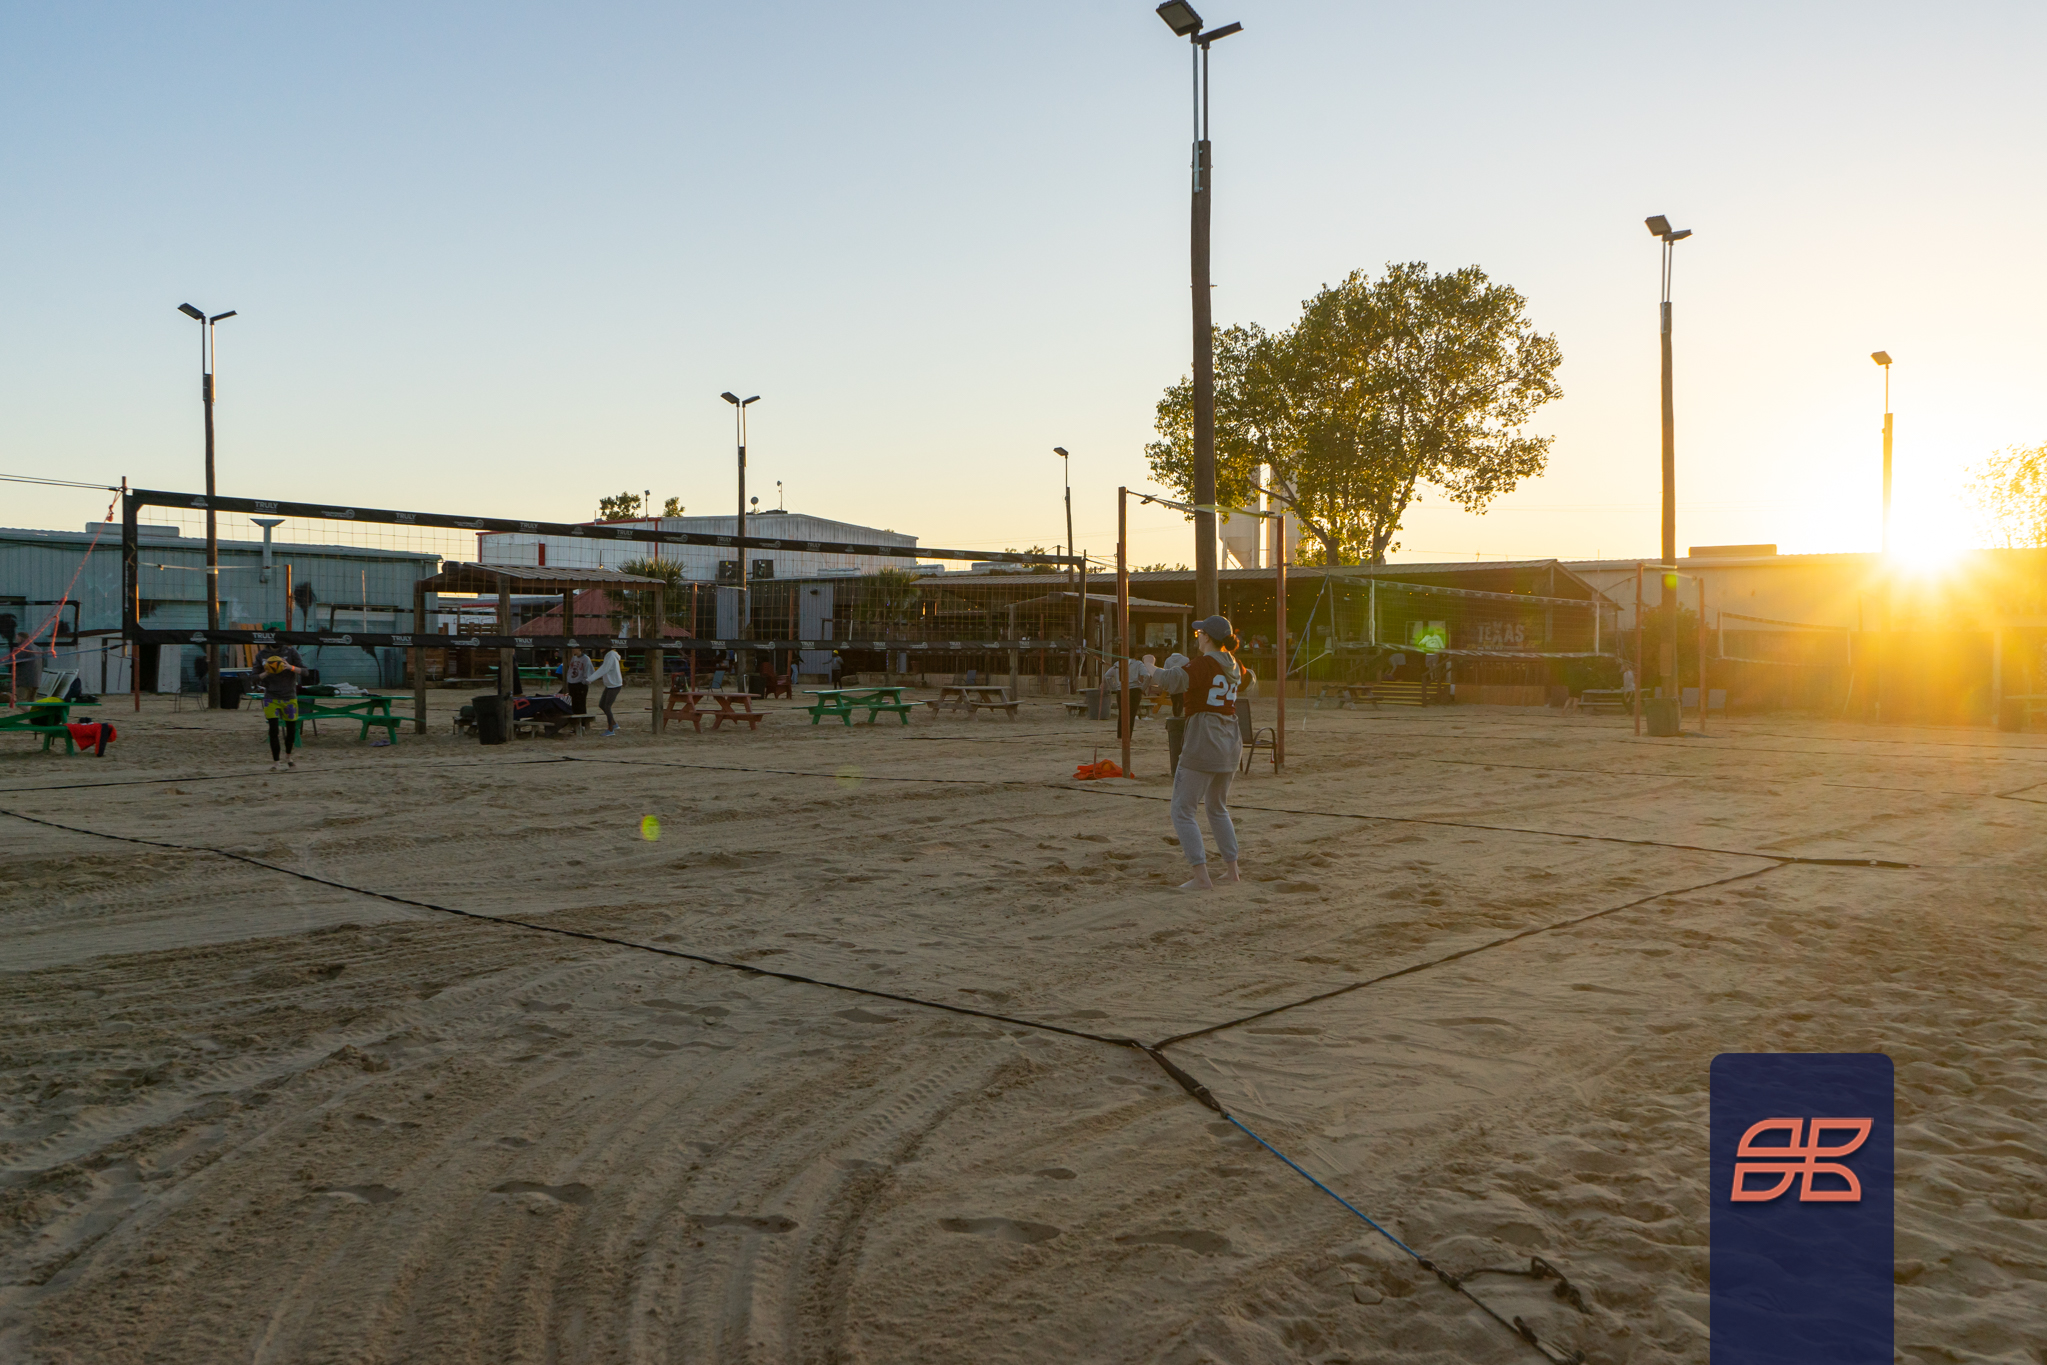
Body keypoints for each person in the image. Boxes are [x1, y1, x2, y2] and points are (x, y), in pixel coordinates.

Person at [1146, 615, 1244, 890]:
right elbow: (1248, 680)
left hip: (1204, 738)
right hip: (1230, 740)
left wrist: (1150, 666)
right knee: (1217, 807)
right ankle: (1232, 870)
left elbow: (1173, 680)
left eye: (1200, 632)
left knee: (1182, 809)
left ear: (1208, 637)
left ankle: (1201, 877)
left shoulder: (1204, 663)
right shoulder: (1234, 664)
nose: (1197, 636)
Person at [253, 652, 304, 771]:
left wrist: (290, 667)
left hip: (289, 698)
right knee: (273, 730)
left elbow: (305, 671)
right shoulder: (262, 654)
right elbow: (253, 678)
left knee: (291, 730)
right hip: (271, 698)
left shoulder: (291, 653)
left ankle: (288, 757)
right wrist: (266, 673)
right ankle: (276, 761)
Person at [590, 645, 624, 735]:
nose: (600, 648)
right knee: (602, 705)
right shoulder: (609, 655)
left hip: (614, 685)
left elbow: (604, 669)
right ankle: (614, 723)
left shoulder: (611, 655)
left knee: (607, 706)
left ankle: (610, 729)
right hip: (610, 684)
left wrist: (590, 679)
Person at [563, 644, 593, 717]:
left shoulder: (586, 659)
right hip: (572, 683)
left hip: (580, 684)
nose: (573, 649)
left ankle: (582, 723)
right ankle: (575, 722)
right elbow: (570, 669)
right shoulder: (574, 658)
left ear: (580, 649)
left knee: (581, 704)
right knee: (573, 703)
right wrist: (569, 679)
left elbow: (588, 671)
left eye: (575, 648)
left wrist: (584, 681)